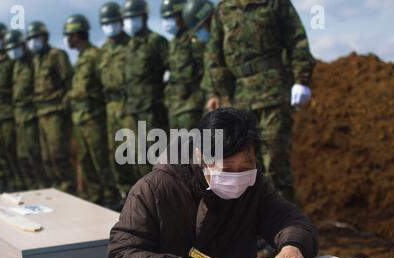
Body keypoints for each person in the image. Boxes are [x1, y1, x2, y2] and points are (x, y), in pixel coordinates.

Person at [108, 108, 318, 258]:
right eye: (226, 168)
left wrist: (292, 245)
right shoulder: (155, 189)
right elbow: (122, 254)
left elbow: (290, 220)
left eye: (246, 166)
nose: (237, 177)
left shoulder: (254, 186)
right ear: (200, 155)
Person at [204, 0, 316, 203]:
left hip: (273, 94)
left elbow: (296, 40)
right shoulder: (224, 9)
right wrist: (214, 92)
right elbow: (213, 55)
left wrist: (302, 79)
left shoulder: (275, 3)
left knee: (274, 161)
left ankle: (284, 227)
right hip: (238, 100)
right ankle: (251, 227)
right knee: (244, 165)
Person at [63, 14, 121, 208]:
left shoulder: (95, 55)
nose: (67, 39)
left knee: (100, 158)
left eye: (69, 35)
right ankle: (96, 195)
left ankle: (111, 196)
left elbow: (103, 83)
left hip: (94, 117)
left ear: (78, 35)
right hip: (80, 118)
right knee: (85, 159)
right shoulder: (80, 58)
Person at [122, 0, 169, 177]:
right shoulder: (130, 45)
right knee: (137, 156)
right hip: (134, 110)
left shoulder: (156, 41)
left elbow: (171, 70)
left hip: (152, 110)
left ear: (143, 17)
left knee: (156, 156)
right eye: (126, 18)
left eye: (133, 17)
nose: (129, 21)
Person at [26, 21, 75, 193]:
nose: (33, 42)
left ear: (45, 37)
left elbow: (70, 81)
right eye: (30, 38)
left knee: (59, 154)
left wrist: (64, 105)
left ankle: (68, 188)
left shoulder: (57, 55)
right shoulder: (35, 60)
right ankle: (56, 188)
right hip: (41, 113)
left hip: (55, 113)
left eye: (36, 37)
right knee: (46, 157)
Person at [98, 2, 136, 200]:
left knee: (134, 153)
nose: (110, 26)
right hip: (110, 108)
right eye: (106, 23)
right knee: (116, 155)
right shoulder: (103, 51)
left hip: (129, 106)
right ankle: (125, 196)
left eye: (113, 22)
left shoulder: (132, 45)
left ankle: (143, 197)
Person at [4, 30, 48, 190]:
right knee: (22, 156)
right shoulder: (16, 65)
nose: (12, 51)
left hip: (31, 114)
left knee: (35, 154)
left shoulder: (32, 62)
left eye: (15, 47)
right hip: (19, 115)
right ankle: (32, 187)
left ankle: (43, 187)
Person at [0, 22, 24, 193]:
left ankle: (18, 182)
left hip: (8, 110)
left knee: (11, 148)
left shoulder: (11, 58)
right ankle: (5, 181)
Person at [160, 0, 207, 130]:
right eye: (165, 18)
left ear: (182, 14)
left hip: (193, 107)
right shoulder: (173, 43)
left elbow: (205, 69)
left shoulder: (195, 38)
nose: (167, 22)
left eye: (171, 17)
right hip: (176, 109)